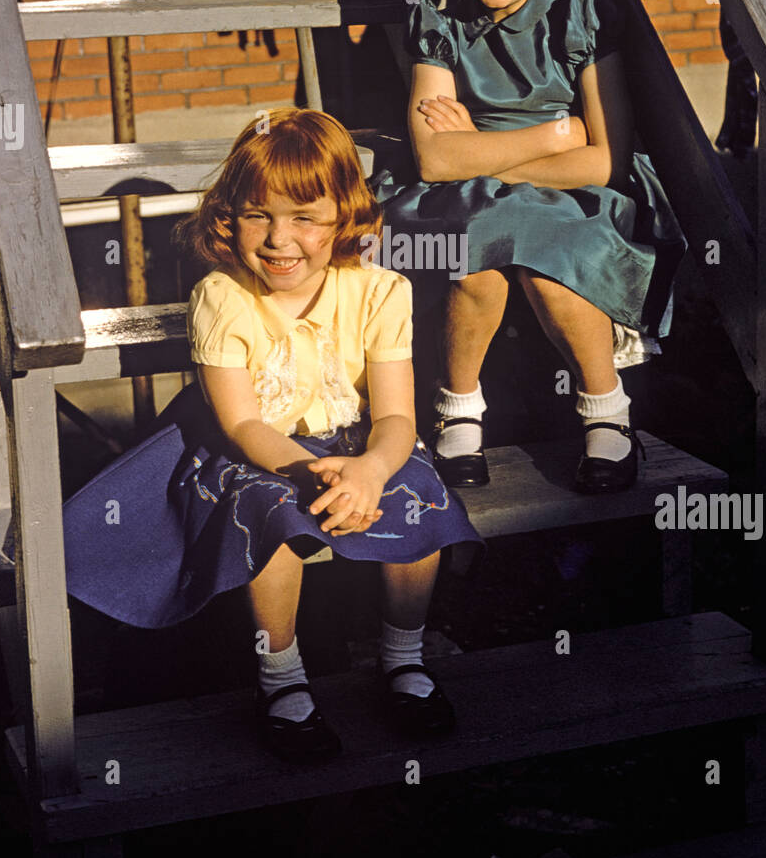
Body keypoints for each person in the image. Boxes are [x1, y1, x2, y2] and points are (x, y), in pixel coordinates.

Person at [63, 109, 483, 764]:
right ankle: (280, 675)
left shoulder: (379, 291)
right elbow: (242, 422)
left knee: (419, 492)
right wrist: (314, 474)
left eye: (304, 217)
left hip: (354, 443)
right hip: (255, 449)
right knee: (275, 517)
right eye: (258, 214)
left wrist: (369, 470)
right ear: (229, 217)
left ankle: (403, 657)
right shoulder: (223, 297)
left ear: (344, 217)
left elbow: (397, 417)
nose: (279, 239)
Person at [372, 0, 685, 494]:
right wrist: (552, 133)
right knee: (477, 259)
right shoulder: (441, 26)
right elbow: (434, 158)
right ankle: (458, 405)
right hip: (464, 199)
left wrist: (484, 148)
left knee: (546, 256)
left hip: (574, 199)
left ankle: (607, 411)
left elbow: (606, 161)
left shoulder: (580, 20)